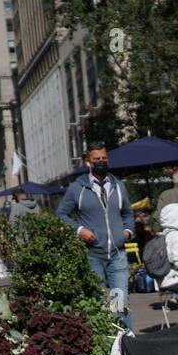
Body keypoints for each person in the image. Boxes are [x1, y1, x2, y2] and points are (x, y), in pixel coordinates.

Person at [57, 141, 136, 329]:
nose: (101, 162)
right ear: (88, 162)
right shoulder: (78, 188)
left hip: (117, 254)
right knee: (98, 303)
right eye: (96, 159)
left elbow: (127, 212)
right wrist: (79, 230)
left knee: (119, 303)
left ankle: (125, 343)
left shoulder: (118, 185)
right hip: (93, 256)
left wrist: (127, 231)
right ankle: (104, 344)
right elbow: (61, 214)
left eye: (104, 158)